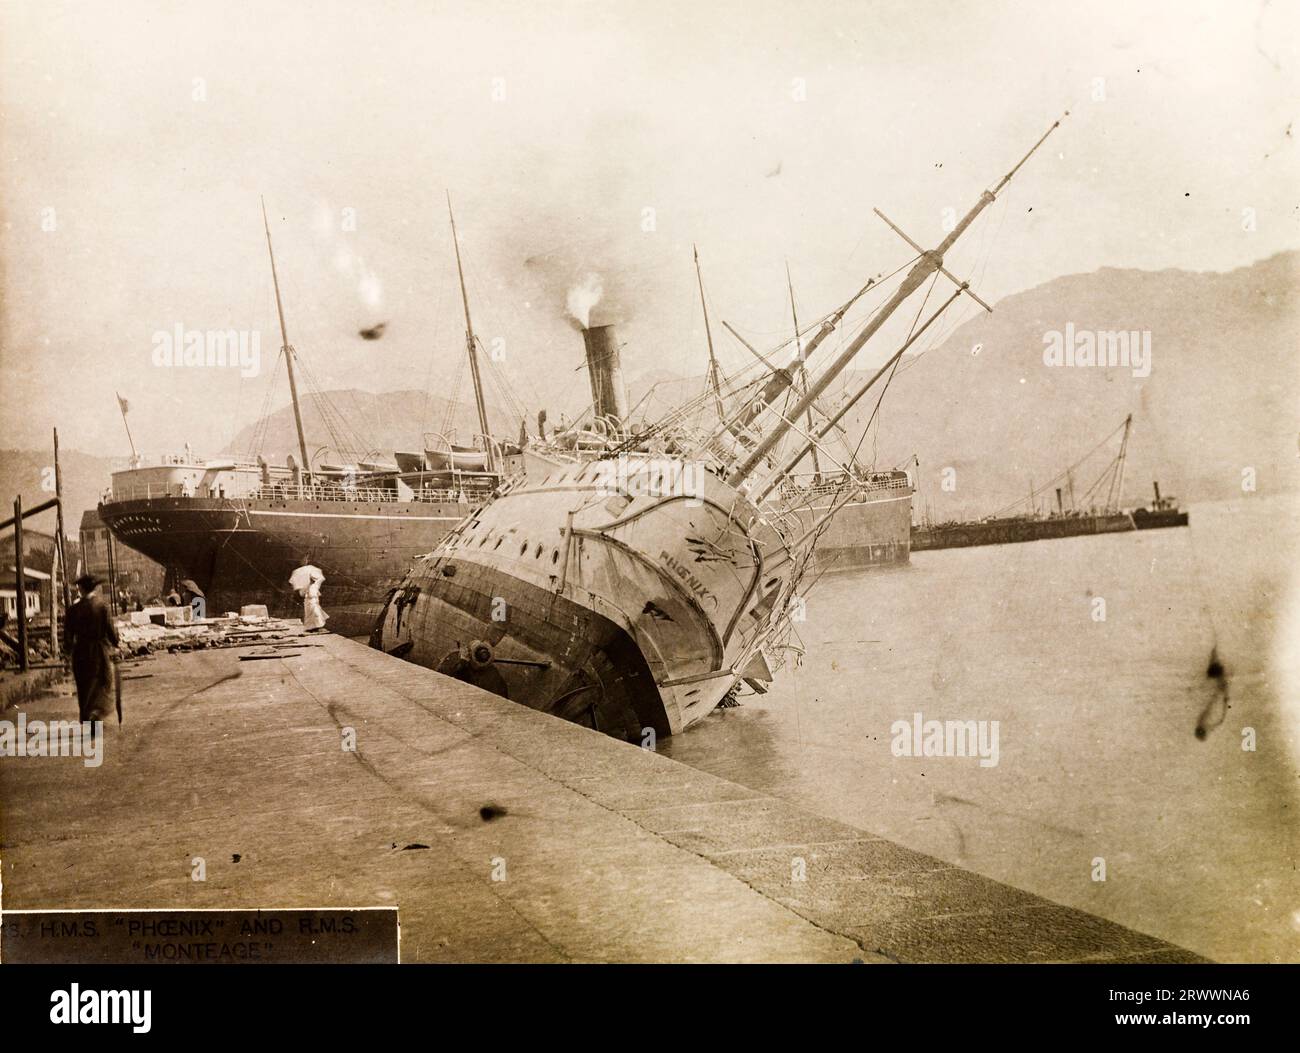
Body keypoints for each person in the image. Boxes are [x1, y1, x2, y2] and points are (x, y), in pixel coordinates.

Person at [64, 574, 119, 731]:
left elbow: (67, 635)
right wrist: (115, 643)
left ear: (81, 589)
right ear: (95, 588)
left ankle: (88, 715)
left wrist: (68, 652)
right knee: (101, 681)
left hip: (80, 651)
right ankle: (97, 712)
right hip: (99, 651)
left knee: (84, 684)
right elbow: (110, 630)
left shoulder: (73, 609)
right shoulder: (102, 606)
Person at [288, 556, 328, 631]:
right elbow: (307, 594)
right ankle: (312, 627)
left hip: (311, 601)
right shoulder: (310, 586)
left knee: (314, 614)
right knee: (313, 614)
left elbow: (306, 593)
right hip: (310, 602)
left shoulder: (312, 586)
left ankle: (314, 627)